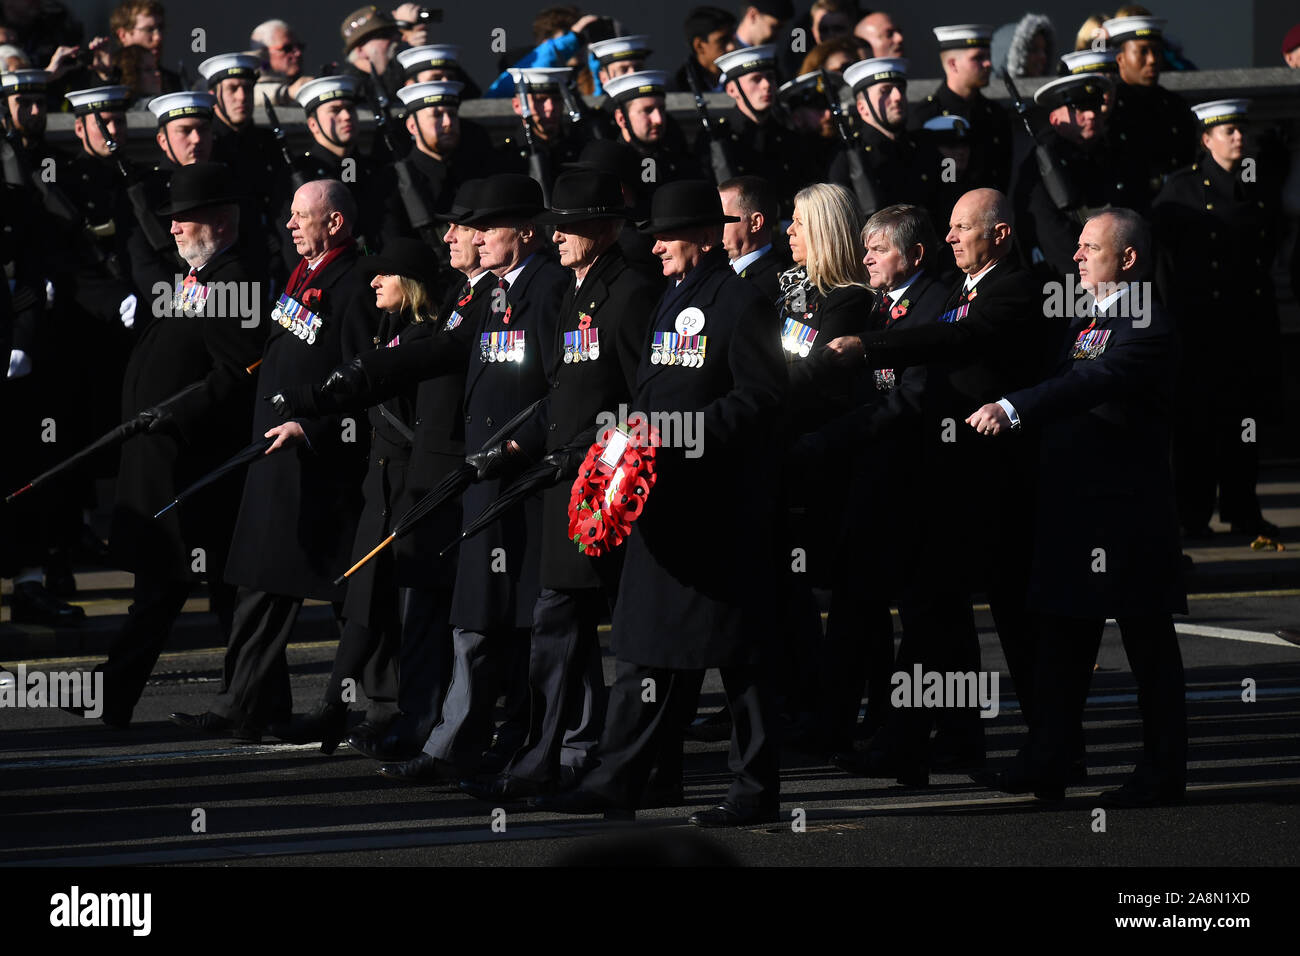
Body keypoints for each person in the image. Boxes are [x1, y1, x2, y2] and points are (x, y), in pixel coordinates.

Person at [533, 179, 788, 826]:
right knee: (648, 649)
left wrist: (680, 435)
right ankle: (627, 779)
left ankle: (755, 788)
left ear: (706, 237)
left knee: (738, 657)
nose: (658, 247)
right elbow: (653, 393)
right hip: (660, 503)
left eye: (668, 237)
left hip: (719, 511)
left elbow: (760, 400)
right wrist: (626, 442)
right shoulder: (673, 296)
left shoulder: (742, 302)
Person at [824, 189, 1054, 783]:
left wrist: (868, 346)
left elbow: (957, 341)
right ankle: (958, 738)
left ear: (1000, 235)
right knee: (942, 615)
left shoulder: (1016, 288)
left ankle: (1042, 747)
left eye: (962, 228)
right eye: (948, 228)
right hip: (955, 479)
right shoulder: (964, 288)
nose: (951, 239)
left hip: (996, 484)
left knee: (994, 621)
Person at [968, 209, 1187, 807]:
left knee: (1148, 644)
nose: (1078, 257)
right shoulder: (1087, 316)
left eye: (1091, 248)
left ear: (1129, 259)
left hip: (1126, 514)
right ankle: (1050, 756)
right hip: (1074, 509)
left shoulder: (1147, 324)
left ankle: (1164, 772)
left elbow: (1090, 383)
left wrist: (1014, 407)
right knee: (1063, 638)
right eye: (1080, 246)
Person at [459, 169, 661, 801]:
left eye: (569, 226)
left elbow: (640, 398)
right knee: (557, 623)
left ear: (603, 229)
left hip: (608, 488)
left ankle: (587, 758)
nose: (558, 235)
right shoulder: (579, 290)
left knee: (603, 629)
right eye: (555, 225)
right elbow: (561, 387)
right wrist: (525, 441)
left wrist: (610, 470)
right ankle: (549, 754)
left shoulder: (628, 293)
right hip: (562, 482)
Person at [377, 173, 568, 783]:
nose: (474, 237)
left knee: (525, 624)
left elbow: (557, 391)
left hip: (524, 477)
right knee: (480, 619)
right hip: (483, 474)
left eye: (487, 227)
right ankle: (462, 742)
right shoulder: (490, 294)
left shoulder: (547, 289)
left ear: (526, 231)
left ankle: (512, 744)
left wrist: (519, 446)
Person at [169, 179, 373, 740]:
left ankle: (374, 706)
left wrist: (315, 426)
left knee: (352, 594)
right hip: (276, 455)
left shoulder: (354, 282)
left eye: (300, 216)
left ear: (334, 223)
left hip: (320, 464)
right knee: (262, 581)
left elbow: (366, 380)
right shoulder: (305, 270)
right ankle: (247, 704)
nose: (289, 225)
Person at [268, 236, 473, 753]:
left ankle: (409, 715)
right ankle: (337, 709)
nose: (373, 281)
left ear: (410, 283)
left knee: (411, 605)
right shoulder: (393, 330)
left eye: (384, 274)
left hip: (413, 482)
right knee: (362, 599)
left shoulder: (428, 337)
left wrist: (315, 404)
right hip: (380, 482)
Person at [86, 163, 268, 728]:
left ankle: (121, 695)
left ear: (219, 220)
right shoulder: (196, 278)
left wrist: (173, 411)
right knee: (183, 588)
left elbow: (238, 370)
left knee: (191, 588)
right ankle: (254, 701)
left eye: (184, 220)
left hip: (195, 462)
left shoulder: (234, 280)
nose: (175, 230)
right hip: (162, 458)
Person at [800, 202, 950, 754]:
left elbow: (909, 400)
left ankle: (903, 733)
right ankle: (844, 722)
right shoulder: (881, 306)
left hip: (910, 481)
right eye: (864, 248)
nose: (866, 259)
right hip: (872, 475)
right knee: (857, 606)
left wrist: (829, 439)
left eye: (878, 249)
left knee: (918, 614)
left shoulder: (934, 304)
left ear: (913, 254)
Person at [1153, 99, 1283, 542]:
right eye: (1227, 131)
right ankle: (1192, 515)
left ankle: (1243, 509)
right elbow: (1163, 261)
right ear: (1206, 140)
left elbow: (1269, 245)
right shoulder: (1182, 190)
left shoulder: (1258, 182)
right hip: (1200, 325)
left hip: (1246, 323)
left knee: (1244, 423)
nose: (1238, 137)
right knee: (1196, 426)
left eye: (1241, 129)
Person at [383, 80, 494, 293]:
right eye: (436, 115)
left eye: (452, 114)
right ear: (412, 126)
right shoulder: (393, 180)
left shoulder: (475, 170)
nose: (447, 123)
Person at [1012, 71, 1125, 279]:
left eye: (1094, 106)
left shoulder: (1110, 151)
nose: (1091, 115)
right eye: (1079, 108)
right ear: (1055, 119)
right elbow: (1049, 232)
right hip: (1067, 280)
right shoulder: (1042, 163)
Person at [278, 75, 388, 269]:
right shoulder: (299, 173)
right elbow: (293, 246)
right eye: (335, 110)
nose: (346, 116)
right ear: (313, 125)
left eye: (350, 109)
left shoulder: (374, 169)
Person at [198, 53, 285, 283]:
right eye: (232, 89)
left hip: (273, 258)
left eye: (247, 88)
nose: (242, 97)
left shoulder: (267, 142)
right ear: (213, 96)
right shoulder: (206, 147)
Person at [1103, 14, 1197, 213]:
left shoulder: (1175, 106)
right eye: (1143, 52)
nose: (1152, 60)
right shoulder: (1108, 108)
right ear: (1120, 58)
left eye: (1156, 51)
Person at [832, 57, 943, 224]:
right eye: (885, 91)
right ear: (862, 108)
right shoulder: (848, 156)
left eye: (901, 89)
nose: (898, 96)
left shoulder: (924, 146)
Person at [911, 24, 1012, 193]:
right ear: (953, 64)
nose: (988, 64)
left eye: (988, 56)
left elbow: (1002, 176)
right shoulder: (926, 116)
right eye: (978, 58)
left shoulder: (995, 115)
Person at [703, 45, 801, 216]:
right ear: (732, 90)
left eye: (770, 77)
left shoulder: (787, 133)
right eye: (756, 79)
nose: (766, 85)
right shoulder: (718, 138)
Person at [603, 70, 701, 188]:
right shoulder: (611, 167)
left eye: (661, 109)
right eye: (647, 110)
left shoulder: (679, 161)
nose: (658, 119)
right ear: (621, 118)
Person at [719, 174, 787, 302]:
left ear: (755, 223)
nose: (716, 228)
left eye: (724, 219)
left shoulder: (780, 282)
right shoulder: (712, 268)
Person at [108, 0, 179, 94]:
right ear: (123, 35)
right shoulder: (108, 79)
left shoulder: (174, 82)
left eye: (160, 28)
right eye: (149, 30)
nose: (158, 37)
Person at [340, 4, 404, 102]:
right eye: (384, 35)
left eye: (396, 33)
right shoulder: (349, 90)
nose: (396, 39)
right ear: (360, 50)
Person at [672, 5, 736, 94]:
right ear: (699, 46)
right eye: (723, 40)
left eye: (732, 39)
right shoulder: (678, 86)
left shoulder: (743, 78)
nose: (731, 47)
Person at [249, 19, 311, 105]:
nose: (298, 53)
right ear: (263, 53)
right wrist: (287, 93)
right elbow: (249, 94)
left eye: (299, 47)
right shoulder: (247, 86)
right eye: (287, 48)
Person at [991, 13, 1055, 79]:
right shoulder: (992, 88)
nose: (1043, 56)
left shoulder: (1050, 88)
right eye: (1034, 49)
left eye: (1045, 50)